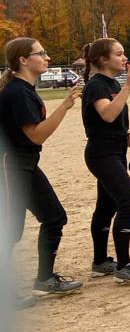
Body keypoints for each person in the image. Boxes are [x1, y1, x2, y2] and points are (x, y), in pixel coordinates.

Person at [0, 38, 83, 298]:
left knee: (54, 217)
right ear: (23, 60)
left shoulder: (24, 89)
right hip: (10, 165)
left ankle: (45, 279)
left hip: (25, 164)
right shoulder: (17, 92)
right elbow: (36, 136)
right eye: (41, 53)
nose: (47, 57)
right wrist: (65, 107)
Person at [80, 39, 130, 284]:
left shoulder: (111, 83)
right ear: (103, 59)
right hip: (101, 154)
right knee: (129, 204)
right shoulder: (96, 85)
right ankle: (124, 266)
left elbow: (119, 125)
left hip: (114, 152)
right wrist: (129, 85)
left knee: (106, 206)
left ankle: (100, 262)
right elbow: (108, 114)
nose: (125, 58)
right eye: (119, 54)